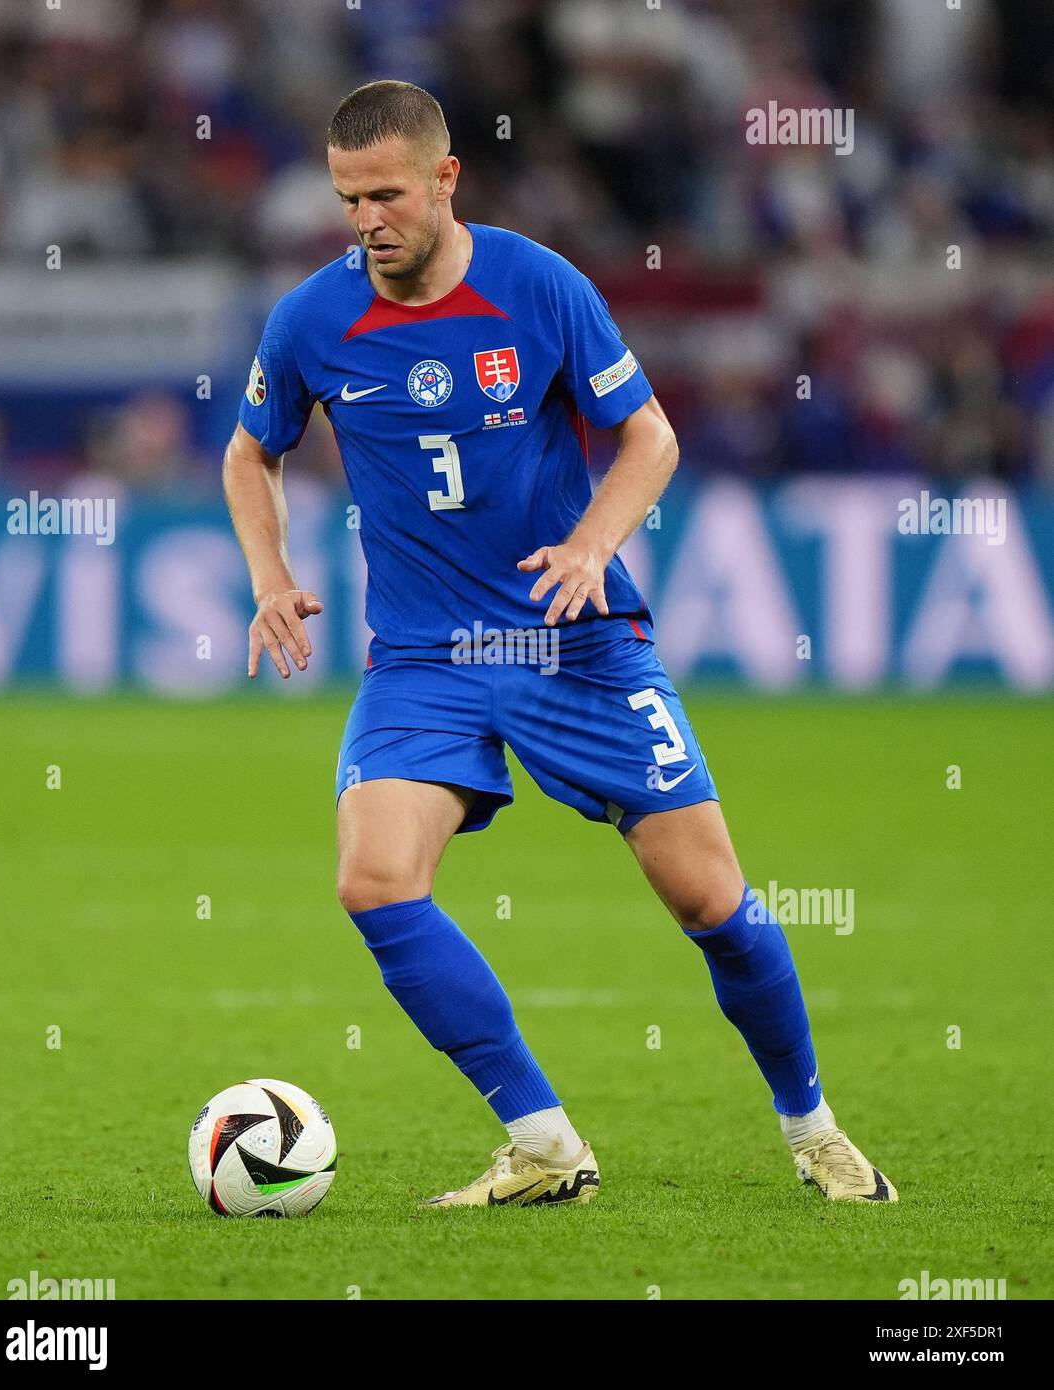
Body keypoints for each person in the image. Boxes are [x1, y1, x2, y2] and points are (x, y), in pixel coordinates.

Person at [223, 80, 896, 1207]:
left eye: (386, 194)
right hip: (427, 658)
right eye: (348, 200)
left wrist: (591, 543)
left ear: (445, 179)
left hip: (570, 642)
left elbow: (649, 436)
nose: (366, 220)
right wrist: (272, 577)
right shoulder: (310, 319)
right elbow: (253, 452)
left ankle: (813, 1126)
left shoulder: (539, 288)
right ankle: (542, 1140)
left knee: (708, 900)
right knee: (374, 879)